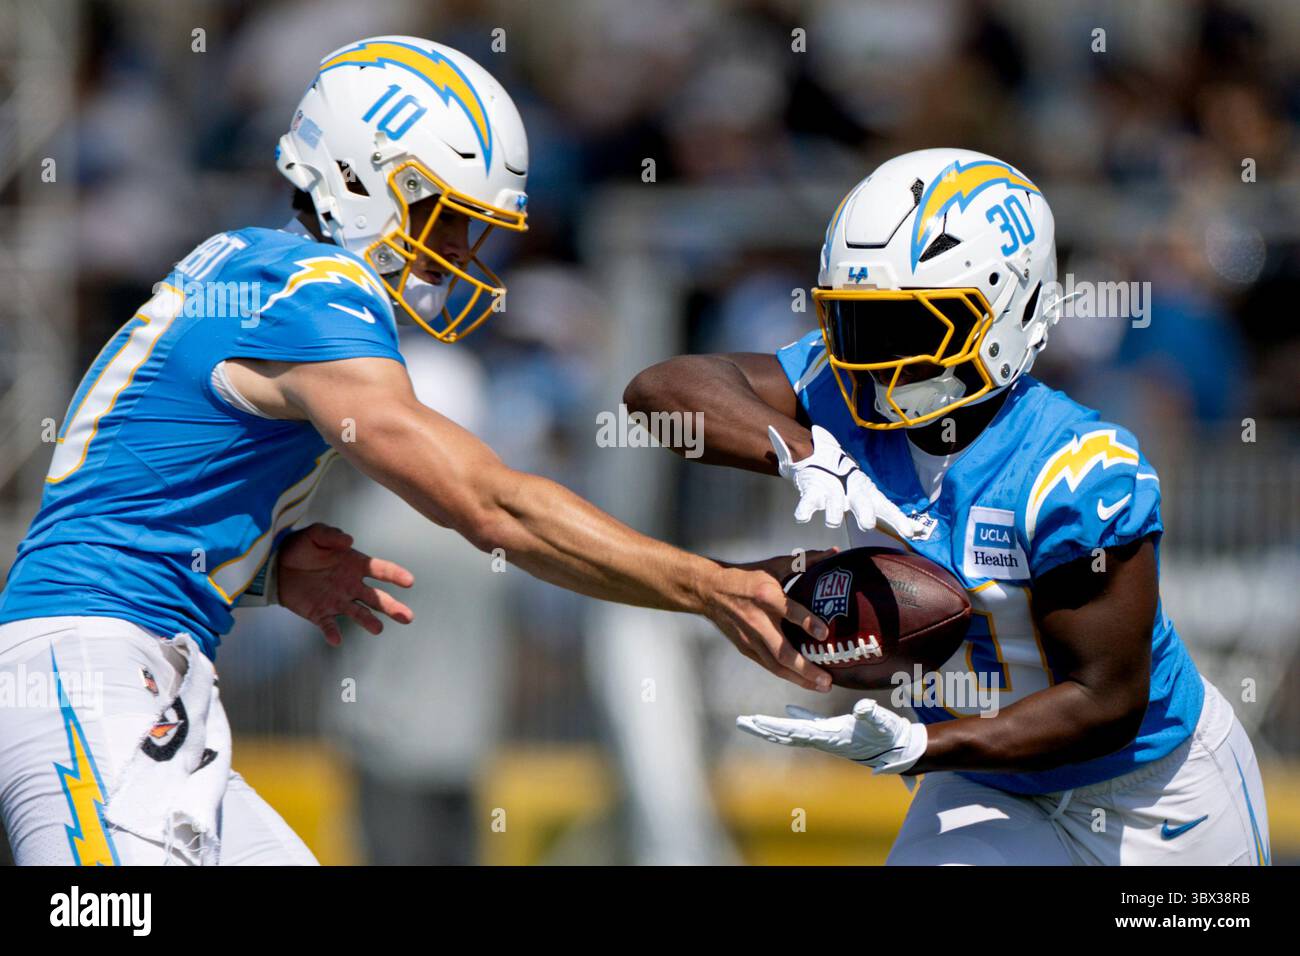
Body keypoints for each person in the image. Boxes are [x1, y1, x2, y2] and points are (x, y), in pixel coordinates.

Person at [0, 36, 830, 866]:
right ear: (360, 178)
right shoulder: (311, 290)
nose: (459, 251)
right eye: (442, 215)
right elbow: (491, 504)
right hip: (95, 673)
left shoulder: (252, 269)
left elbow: (128, 490)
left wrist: (253, 565)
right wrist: (708, 585)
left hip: (138, 667)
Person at [624, 148, 1271, 865]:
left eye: (907, 329)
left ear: (1011, 308)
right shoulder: (844, 399)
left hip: (1154, 798)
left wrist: (922, 743)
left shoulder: (1073, 468)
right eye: (859, 326)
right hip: (986, 784)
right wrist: (800, 450)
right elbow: (660, 391)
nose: (872, 364)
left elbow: (1104, 702)